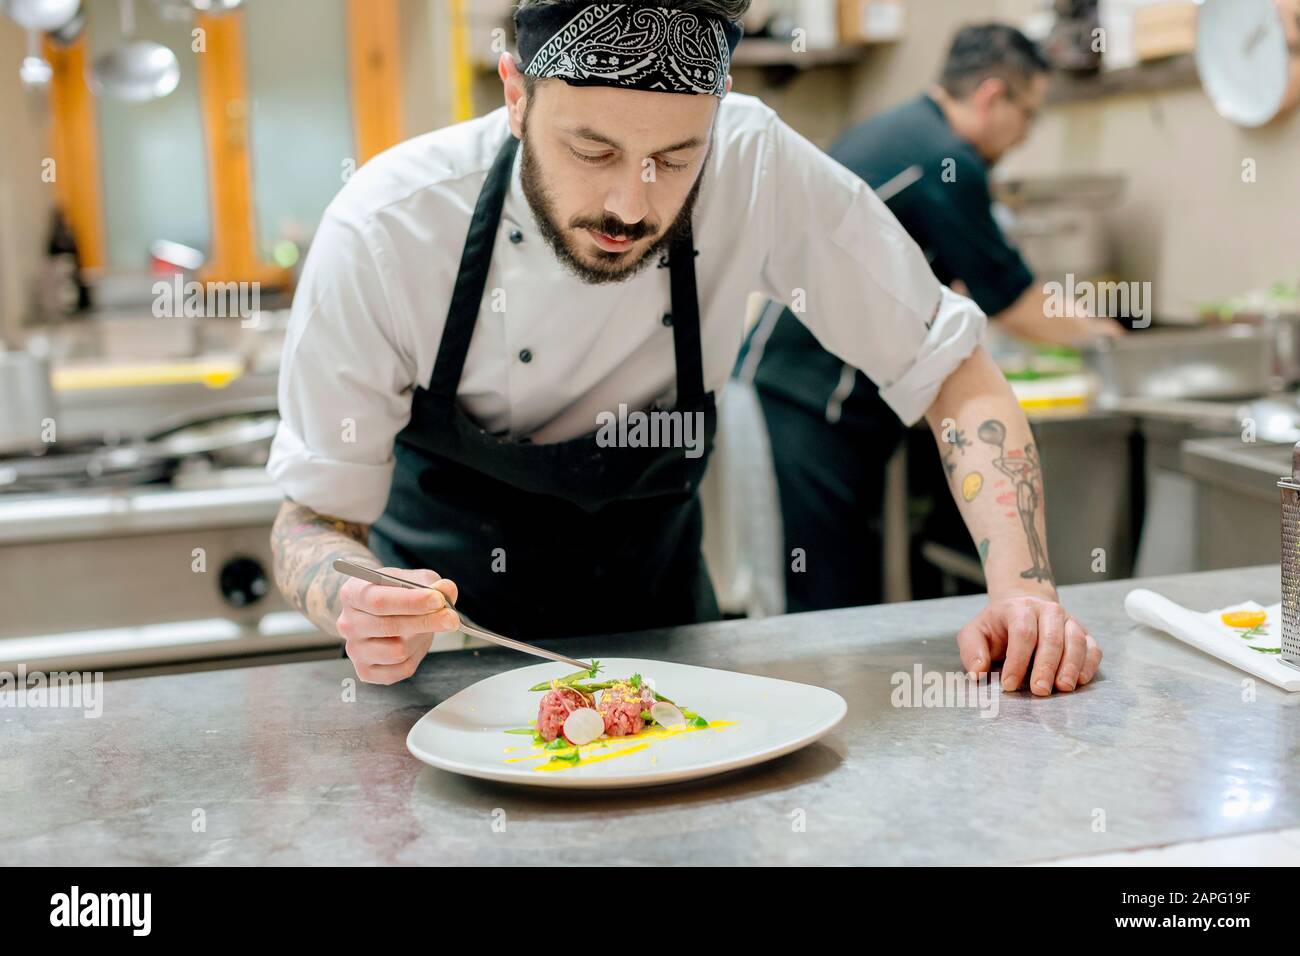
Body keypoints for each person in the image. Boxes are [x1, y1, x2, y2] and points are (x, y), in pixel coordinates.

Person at [266, 1, 1101, 696]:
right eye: (592, 150)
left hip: (675, 673)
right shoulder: (387, 229)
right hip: (446, 677)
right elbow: (310, 520)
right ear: (516, 95)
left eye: (676, 157)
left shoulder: (755, 164)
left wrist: (1025, 592)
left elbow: (954, 371)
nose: (632, 203)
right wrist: (355, 595)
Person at [738, 22, 1123, 613]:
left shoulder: (903, 130)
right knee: (826, 600)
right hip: (809, 404)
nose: (1024, 137)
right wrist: (1107, 337)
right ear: (994, 95)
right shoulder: (946, 160)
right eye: (1030, 116)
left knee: (820, 587)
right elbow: (1014, 301)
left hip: (781, 388)